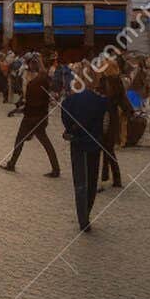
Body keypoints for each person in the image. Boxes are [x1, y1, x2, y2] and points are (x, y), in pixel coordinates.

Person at [60, 74, 109, 234]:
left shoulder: (71, 101)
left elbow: (65, 115)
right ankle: (86, 213)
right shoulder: (101, 101)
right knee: (92, 180)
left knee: (80, 181)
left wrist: (69, 129)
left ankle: (83, 219)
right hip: (94, 143)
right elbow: (105, 121)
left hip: (78, 143)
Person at [0, 59, 60, 178]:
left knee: (19, 140)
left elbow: (29, 104)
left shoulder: (33, 84)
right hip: (41, 117)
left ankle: (12, 163)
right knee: (46, 143)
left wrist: (17, 111)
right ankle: (56, 168)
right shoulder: (45, 82)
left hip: (30, 118)